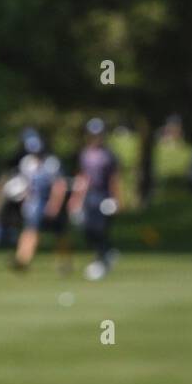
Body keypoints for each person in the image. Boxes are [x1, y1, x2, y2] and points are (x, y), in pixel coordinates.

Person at [69, 118, 121, 281]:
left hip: (104, 196)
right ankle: (107, 252)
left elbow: (114, 178)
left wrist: (116, 198)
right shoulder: (84, 154)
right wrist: (76, 200)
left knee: (100, 229)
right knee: (88, 229)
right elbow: (82, 178)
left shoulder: (109, 155)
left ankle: (101, 260)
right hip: (89, 195)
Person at [11, 129, 67, 272]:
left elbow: (59, 185)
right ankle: (22, 258)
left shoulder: (51, 163)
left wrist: (54, 204)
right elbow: (27, 185)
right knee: (30, 230)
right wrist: (24, 199)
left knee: (60, 234)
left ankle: (64, 262)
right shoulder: (27, 163)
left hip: (51, 201)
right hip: (35, 203)